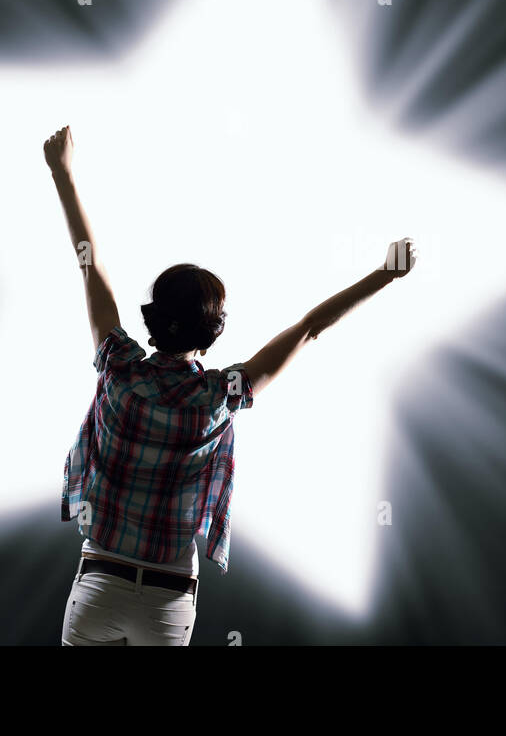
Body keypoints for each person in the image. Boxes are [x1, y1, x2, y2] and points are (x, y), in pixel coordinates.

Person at [43, 125, 416, 645]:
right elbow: (310, 328)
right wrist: (384, 274)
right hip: (169, 598)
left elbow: (91, 265)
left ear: (153, 319)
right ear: (213, 329)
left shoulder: (118, 368)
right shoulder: (221, 396)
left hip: (99, 583)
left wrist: (63, 172)